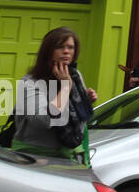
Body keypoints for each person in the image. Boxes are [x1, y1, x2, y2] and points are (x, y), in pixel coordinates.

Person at [12, 27, 96, 162]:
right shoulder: (30, 82)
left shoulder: (75, 76)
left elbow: (78, 118)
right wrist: (65, 88)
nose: (66, 51)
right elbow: (44, 120)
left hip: (72, 156)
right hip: (37, 157)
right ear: (48, 51)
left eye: (71, 47)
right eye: (60, 47)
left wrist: (83, 101)